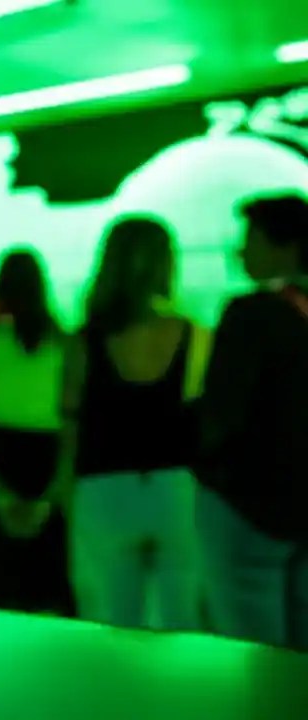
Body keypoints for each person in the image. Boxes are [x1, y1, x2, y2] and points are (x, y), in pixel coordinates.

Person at [60, 217, 209, 631]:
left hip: (103, 490)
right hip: (175, 488)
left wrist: (62, 495)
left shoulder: (84, 340)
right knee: (181, 626)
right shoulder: (191, 334)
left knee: (109, 628)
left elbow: (71, 428)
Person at [195, 194, 308, 650]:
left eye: (250, 240)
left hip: (250, 505)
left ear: (284, 246)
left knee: (252, 650)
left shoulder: (249, 315)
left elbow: (222, 413)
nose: (241, 251)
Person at [0, 248, 73, 615]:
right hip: (47, 460)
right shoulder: (63, 347)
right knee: (49, 591)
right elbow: (74, 429)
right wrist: (51, 497)